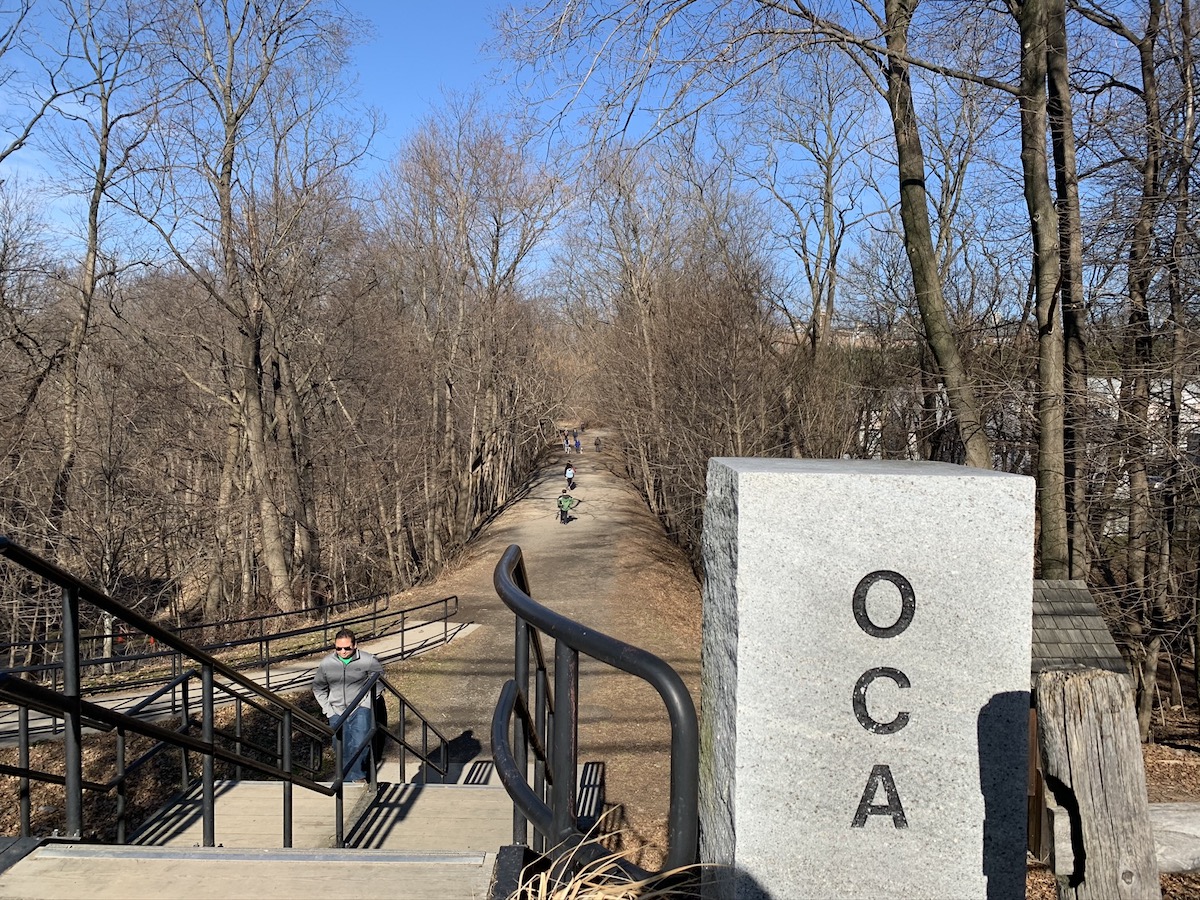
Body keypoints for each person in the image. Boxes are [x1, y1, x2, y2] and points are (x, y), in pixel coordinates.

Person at [312, 628, 383, 783]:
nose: (343, 651)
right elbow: (318, 688)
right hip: (336, 711)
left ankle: (358, 777)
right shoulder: (326, 664)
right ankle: (345, 780)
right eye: (339, 648)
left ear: (355, 645)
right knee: (340, 747)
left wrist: (366, 704)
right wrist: (328, 709)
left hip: (360, 709)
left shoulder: (368, 660)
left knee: (360, 743)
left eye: (346, 648)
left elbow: (379, 682)